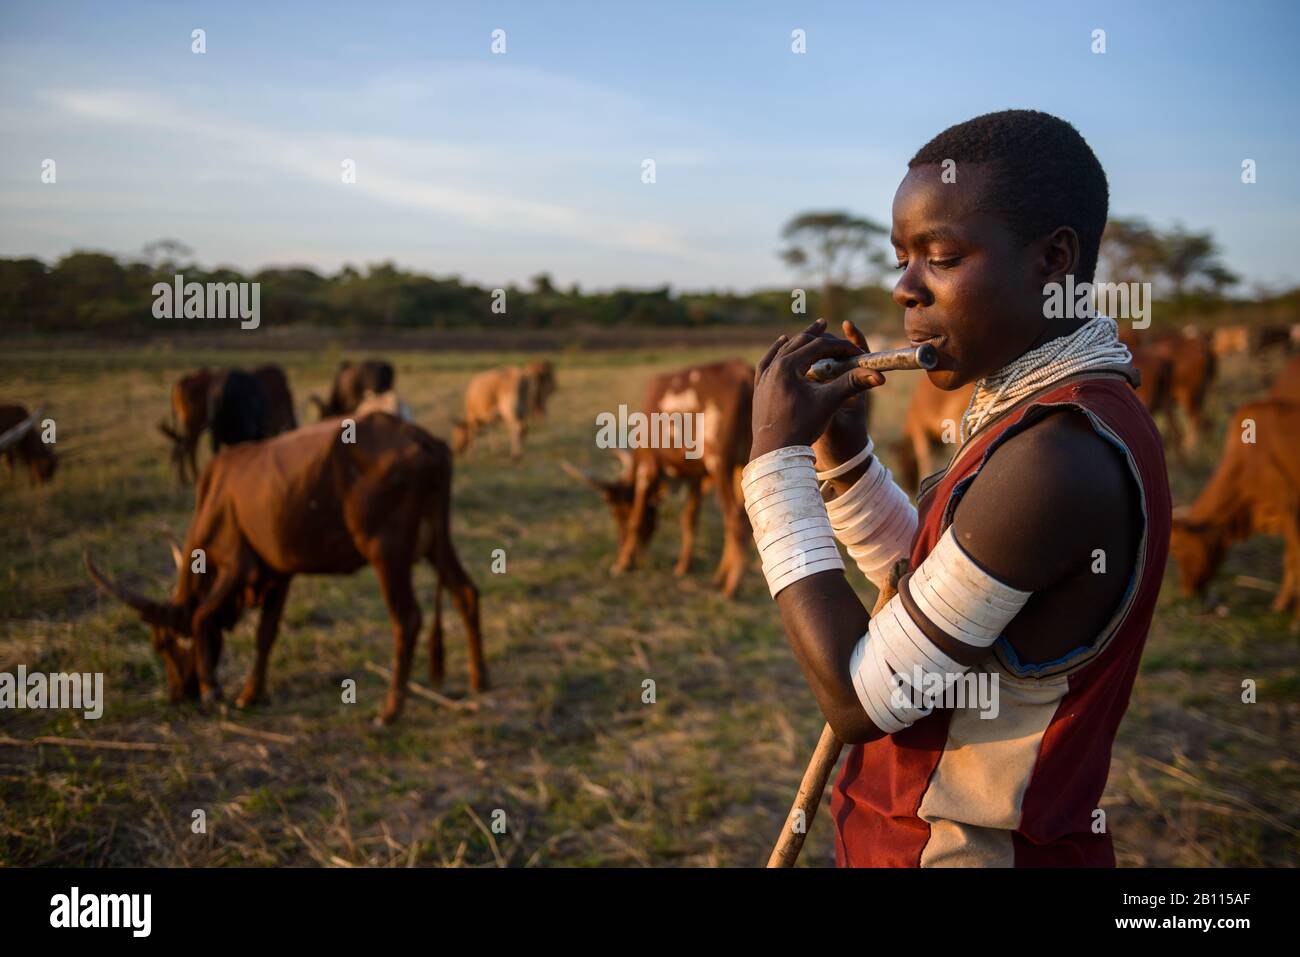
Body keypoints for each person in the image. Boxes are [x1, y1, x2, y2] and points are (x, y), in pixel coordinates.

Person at [746, 109, 1171, 867]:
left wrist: (774, 461)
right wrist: (840, 449)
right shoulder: (1040, 414)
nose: (906, 288)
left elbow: (859, 700)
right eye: (901, 257)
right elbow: (924, 590)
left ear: (1052, 261)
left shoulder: (1057, 457)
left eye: (939, 256)